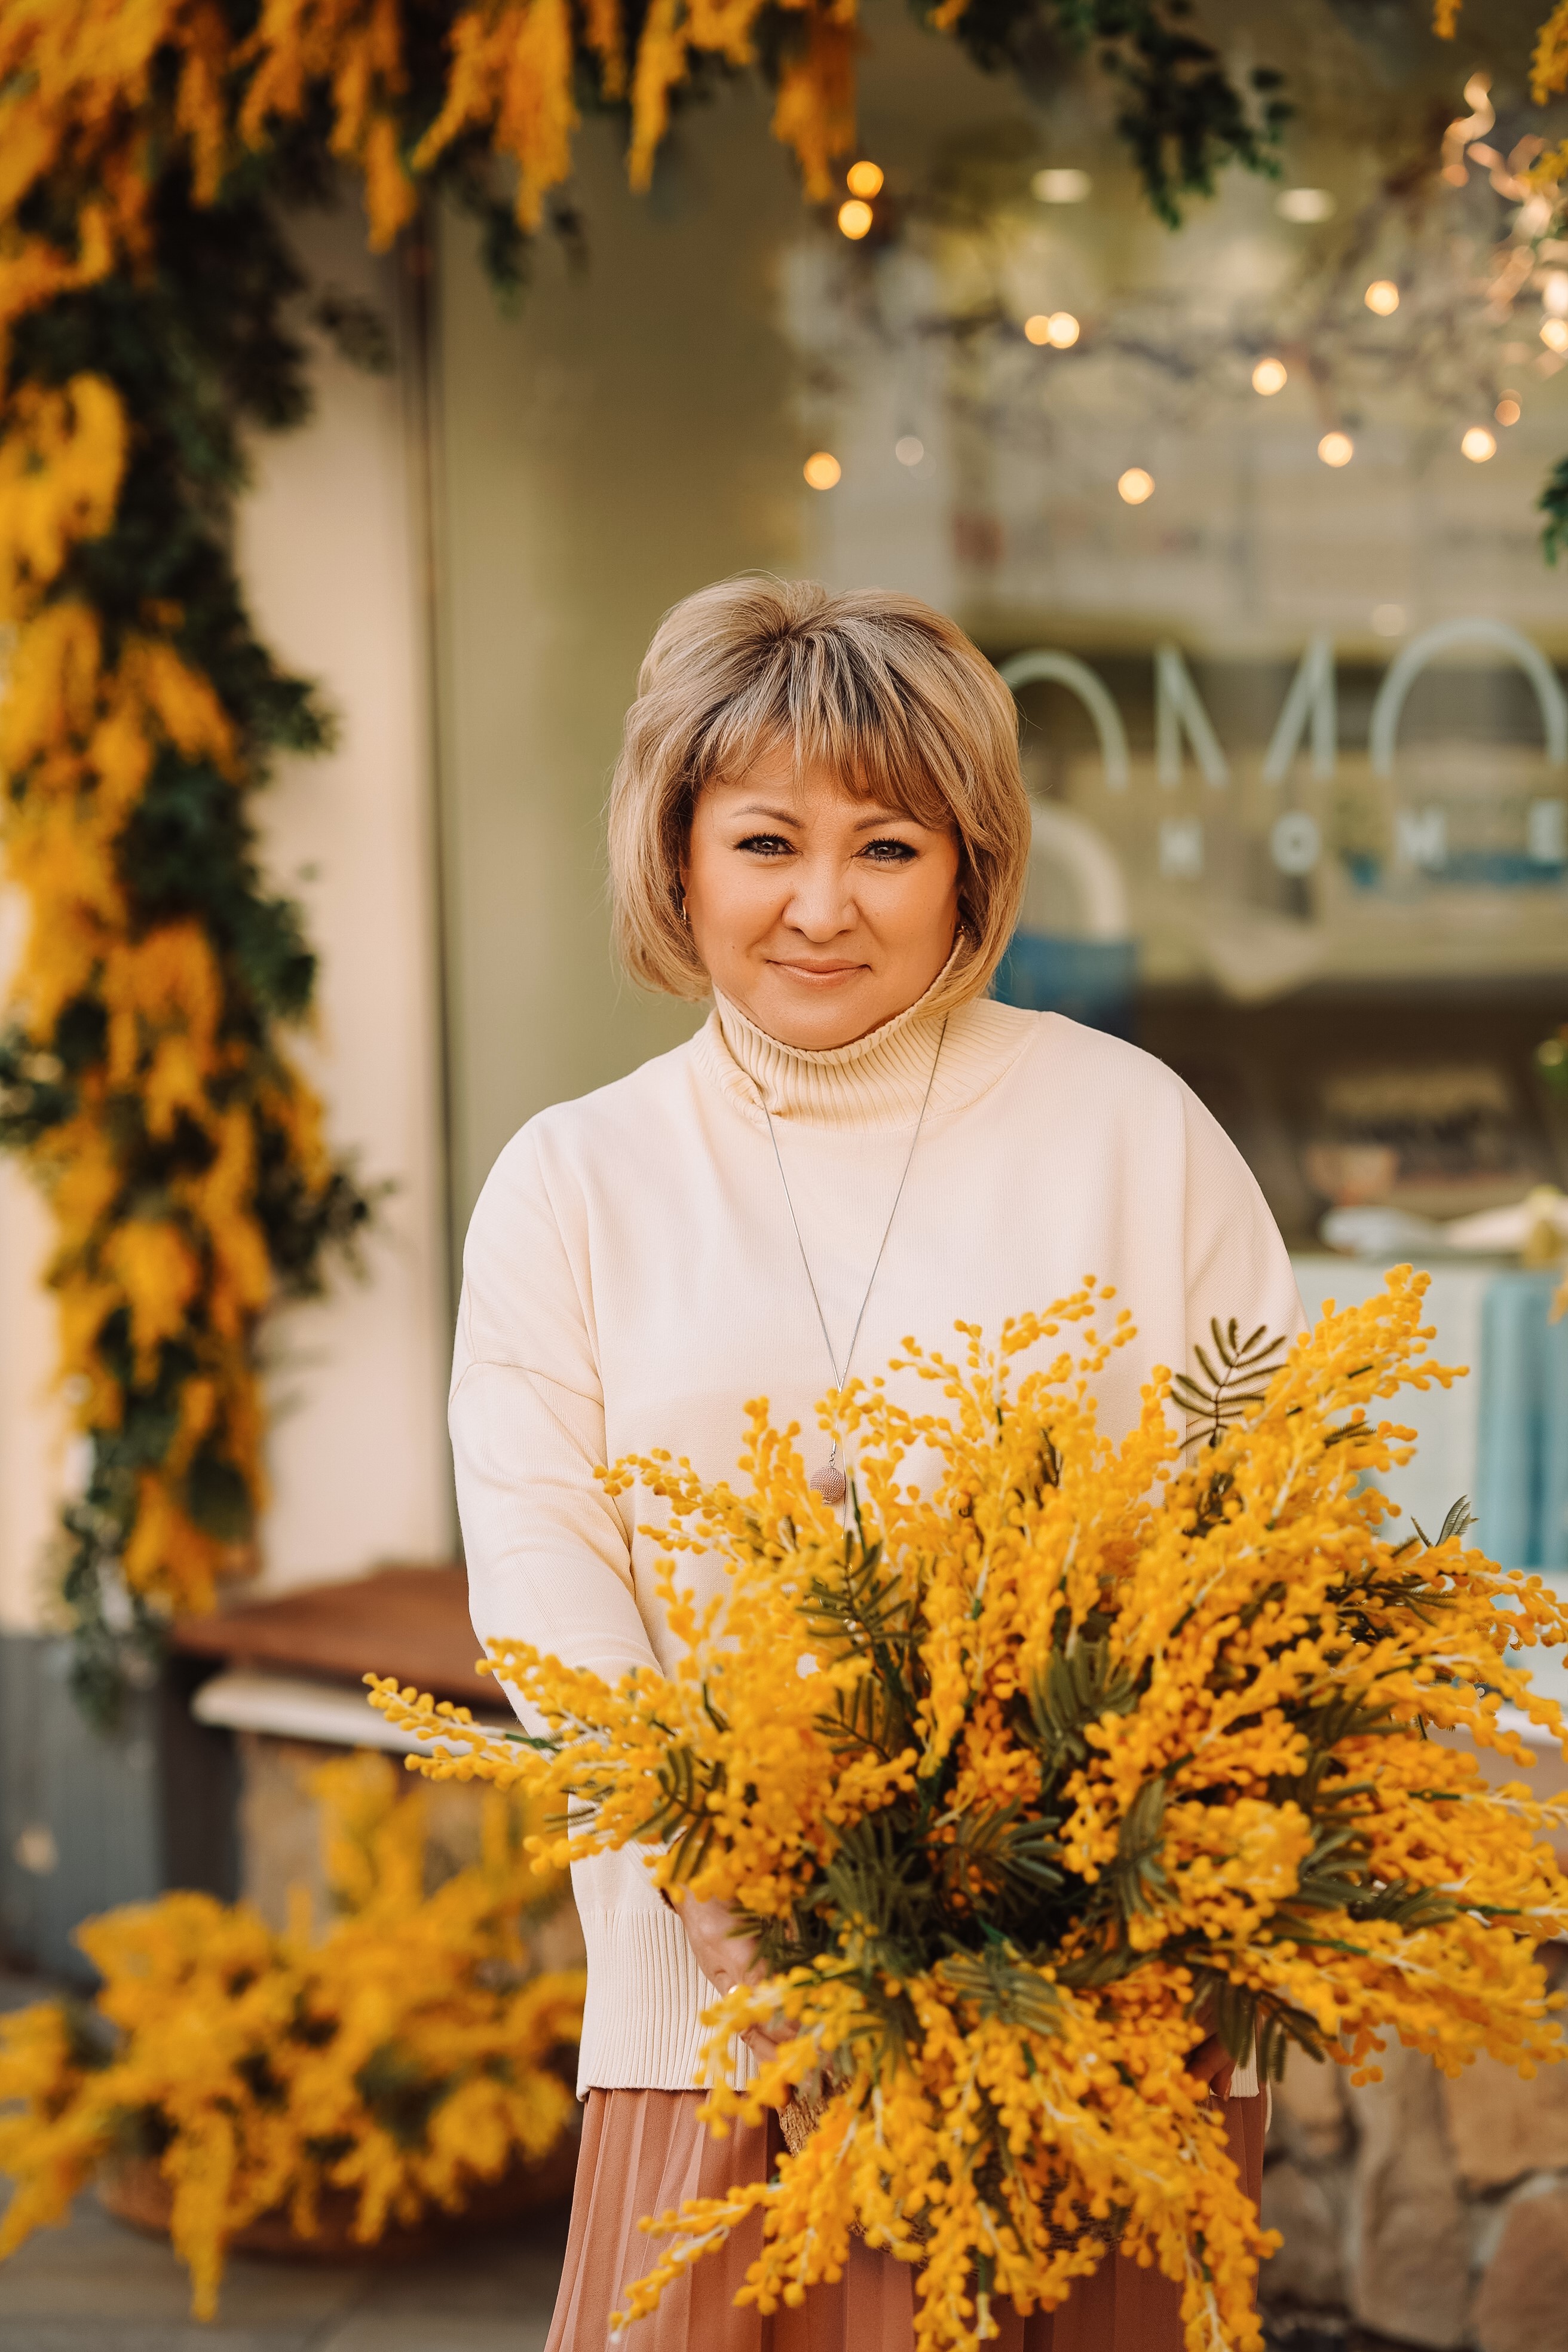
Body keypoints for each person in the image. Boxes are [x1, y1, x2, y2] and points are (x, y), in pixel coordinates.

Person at [452, 577, 1303, 2351]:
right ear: (676, 856)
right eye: (766, 841)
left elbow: (1272, 1533)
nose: (822, 909)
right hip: (718, 2029)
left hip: (1084, 2038)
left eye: (889, 847)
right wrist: (723, 1889)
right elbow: (545, 1571)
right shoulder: (574, 1182)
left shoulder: (1131, 1134)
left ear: (973, 867)